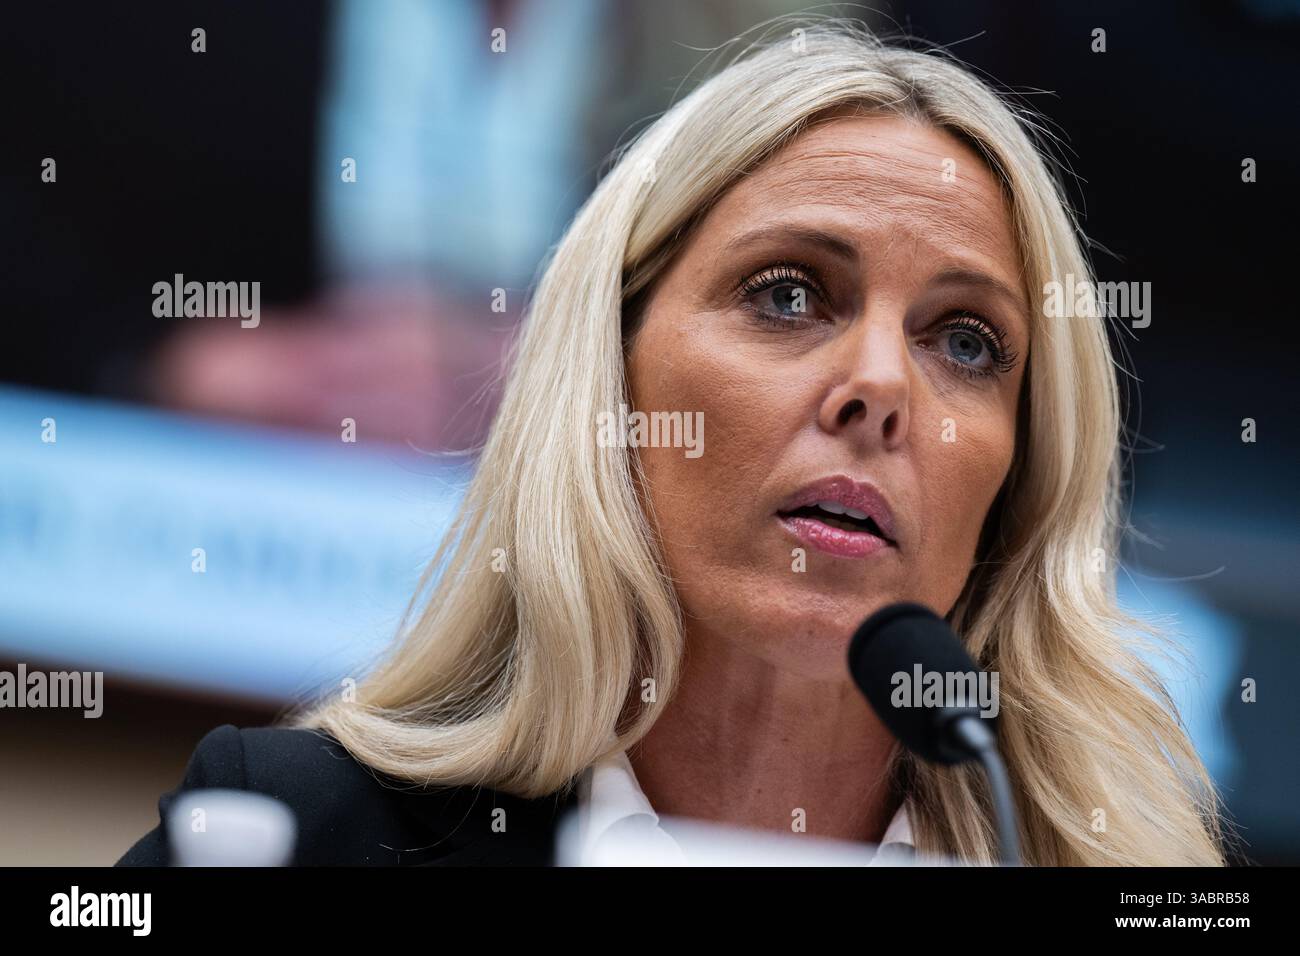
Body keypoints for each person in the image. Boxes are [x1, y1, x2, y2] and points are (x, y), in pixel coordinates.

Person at [119, 19, 1226, 867]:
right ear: (607, 370)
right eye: (788, 293)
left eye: (968, 342)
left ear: (1020, 478)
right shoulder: (292, 831)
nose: (881, 387)